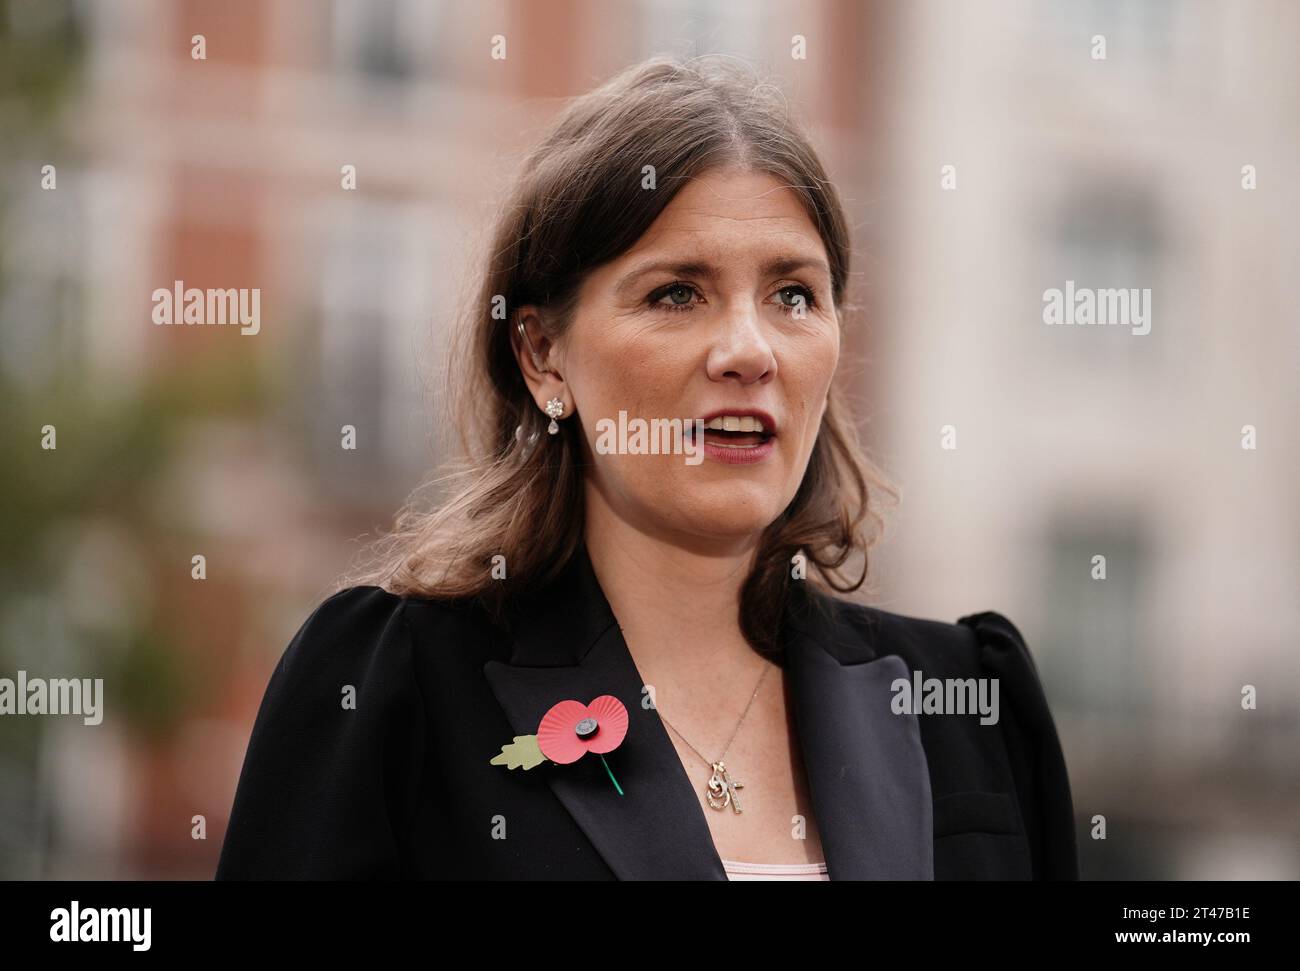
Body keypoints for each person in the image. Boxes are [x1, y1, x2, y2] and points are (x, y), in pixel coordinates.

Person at [215, 55, 1078, 881]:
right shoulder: (392, 684)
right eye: (677, 293)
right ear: (543, 355)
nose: (750, 350)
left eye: (793, 296)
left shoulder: (968, 700)